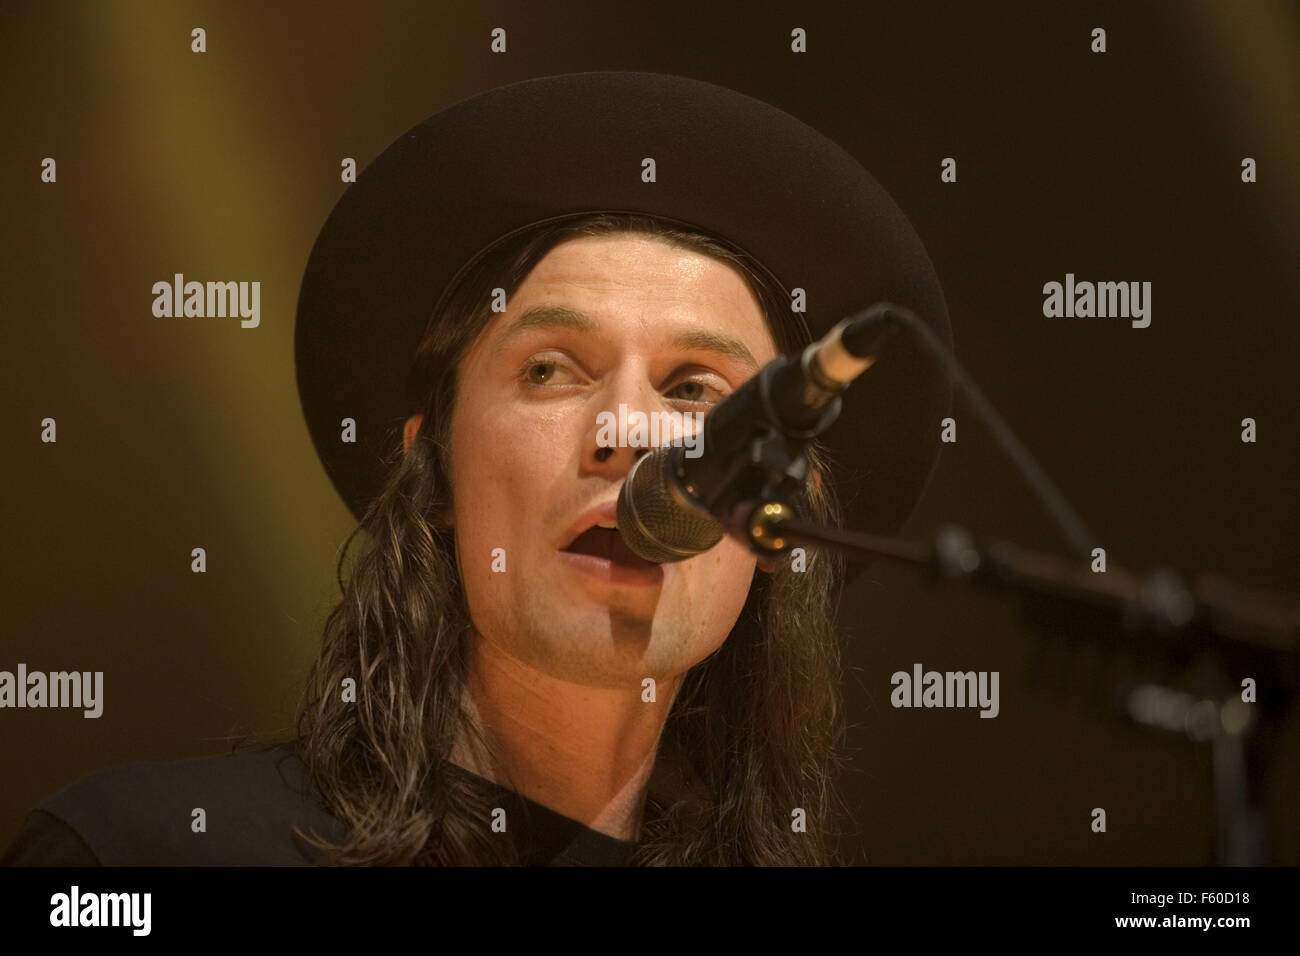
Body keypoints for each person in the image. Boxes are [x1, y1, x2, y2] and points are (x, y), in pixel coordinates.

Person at [2, 72, 952, 866]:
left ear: (782, 509)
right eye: (550, 370)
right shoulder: (137, 855)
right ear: (433, 473)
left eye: (698, 390)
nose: (627, 426)